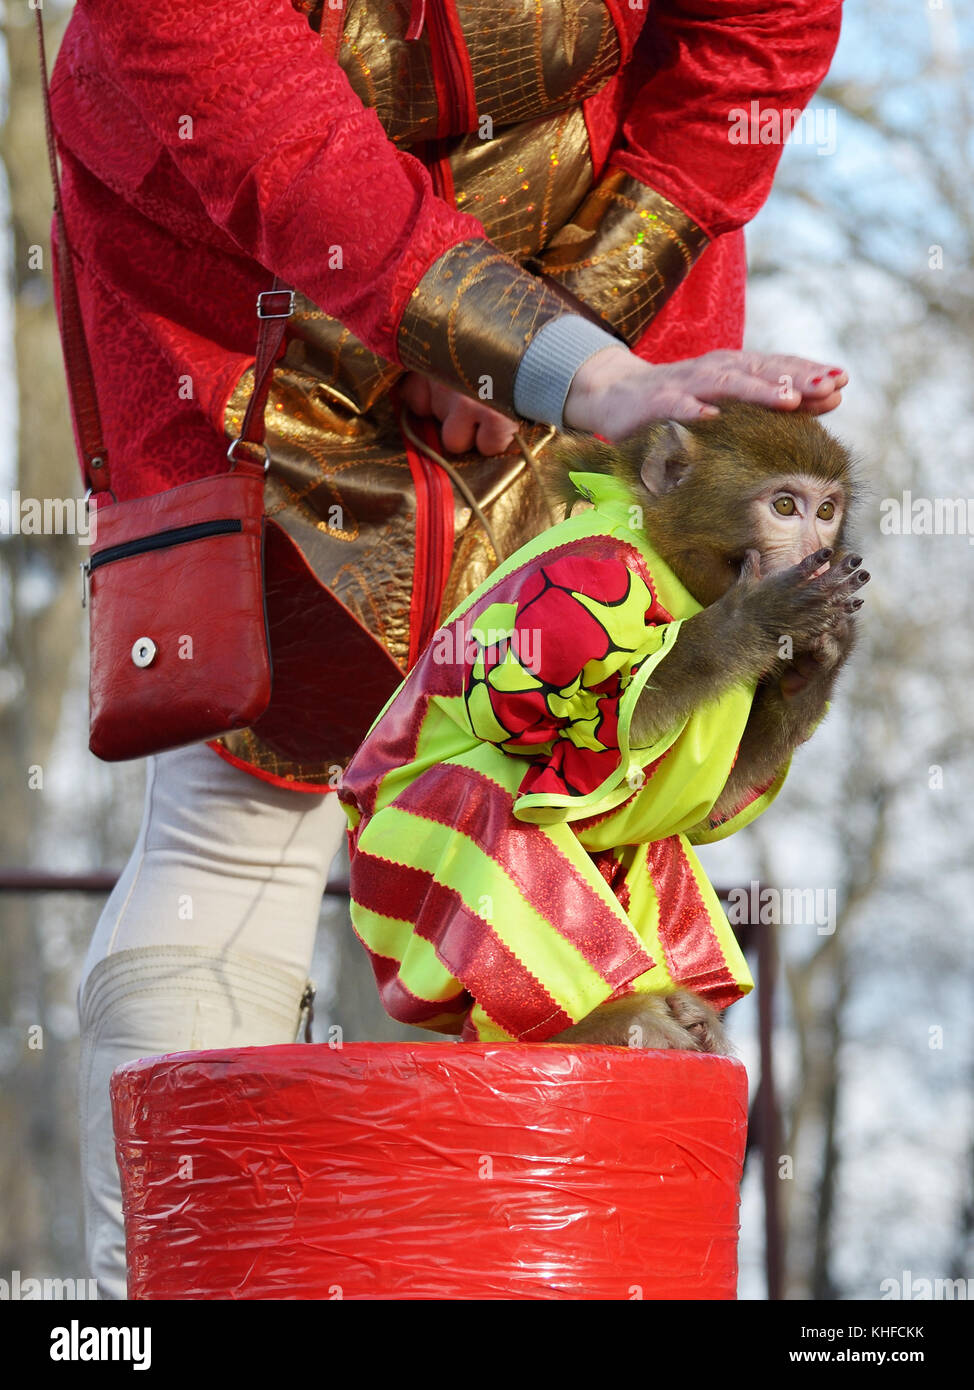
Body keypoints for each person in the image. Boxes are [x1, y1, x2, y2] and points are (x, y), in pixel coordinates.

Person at [48, 0, 844, 1297]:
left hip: (599, 223)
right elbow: (263, 125)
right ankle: (149, 1304)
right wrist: (539, 358)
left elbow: (757, 30)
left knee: (582, 792)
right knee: (244, 796)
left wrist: (576, 327)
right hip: (244, 263)